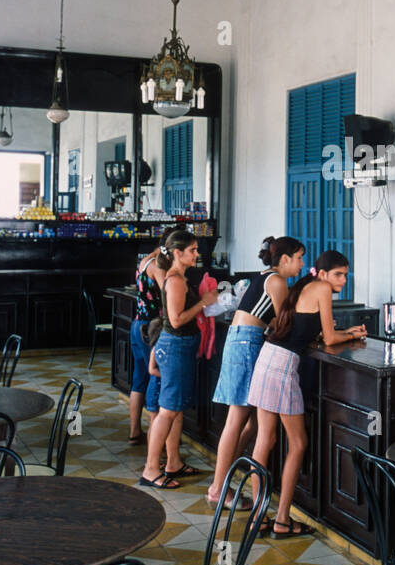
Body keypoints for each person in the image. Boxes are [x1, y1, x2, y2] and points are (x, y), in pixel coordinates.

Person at [248, 250, 366, 537]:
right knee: (298, 443)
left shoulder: (304, 286)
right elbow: (330, 337)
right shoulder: (323, 288)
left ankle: (257, 517)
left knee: (265, 439)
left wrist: (344, 332)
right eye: (339, 274)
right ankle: (282, 520)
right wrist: (354, 335)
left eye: (346, 275)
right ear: (323, 274)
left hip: (267, 359)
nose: (343, 280)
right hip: (284, 367)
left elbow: (308, 331)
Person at [206, 235, 305, 508]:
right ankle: (218, 489)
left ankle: (224, 481)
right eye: (299, 258)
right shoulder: (276, 281)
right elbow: (285, 324)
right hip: (248, 342)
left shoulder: (263, 276)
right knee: (237, 419)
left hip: (241, 339)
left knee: (250, 422)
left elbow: (273, 320)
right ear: (284, 259)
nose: (301, 264)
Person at [140, 229, 219, 489]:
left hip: (180, 347)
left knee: (176, 409)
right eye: (193, 250)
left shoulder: (179, 277)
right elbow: (175, 320)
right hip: (176, 347)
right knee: (167, 411)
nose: (197, 254)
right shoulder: (175, 280)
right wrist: (204, 302)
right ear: (177, 253)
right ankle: (151, 469)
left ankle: (173, 462)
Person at [127, 241, 166, 444]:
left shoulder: (145, 261)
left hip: (137, 323)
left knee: (139, 377)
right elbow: (166, 293)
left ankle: (135, 431)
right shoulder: (158, 265)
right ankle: (155, 437)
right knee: (155, 376)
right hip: (151, 327)